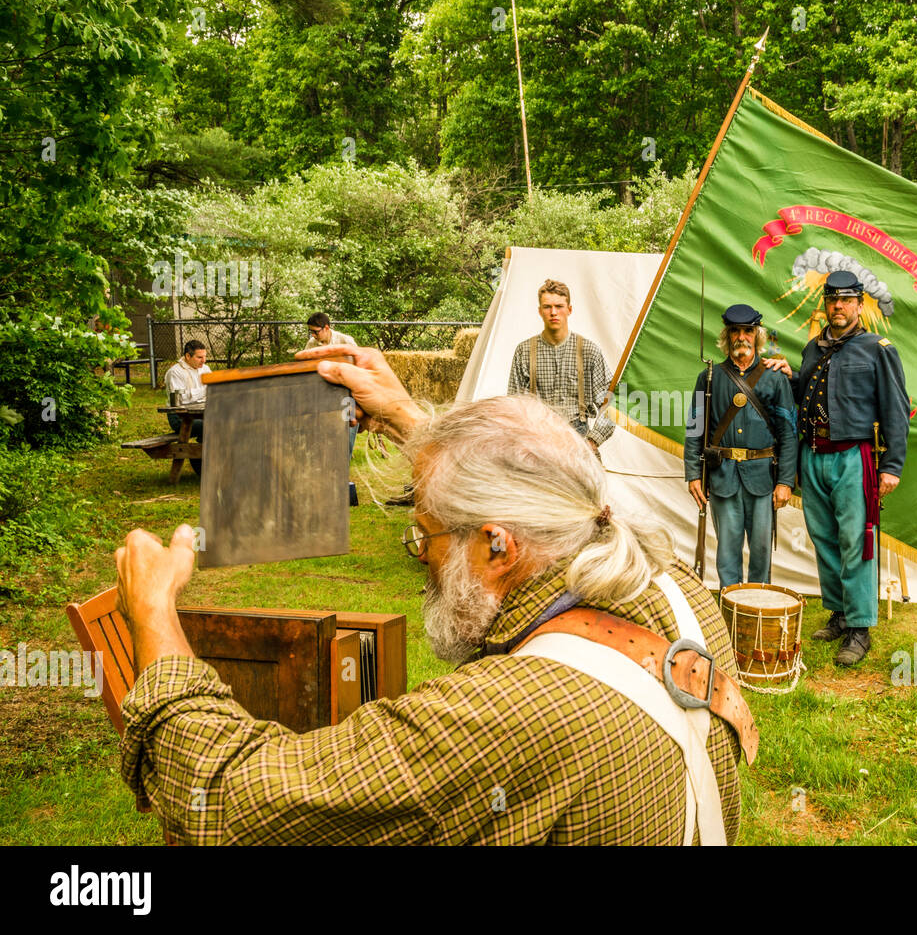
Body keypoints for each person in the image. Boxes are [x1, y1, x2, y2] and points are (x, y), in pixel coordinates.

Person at [114, 350, 755, 845]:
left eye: (423, 538)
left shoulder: (494, 720)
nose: (420, 559)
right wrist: (404, 416)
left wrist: (152, 612)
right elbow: (524, 478)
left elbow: (227, 799)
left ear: (497, 545)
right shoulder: (680, 594)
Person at [765, 271, 910, 667]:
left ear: (859, 305)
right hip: (814, 453)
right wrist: (789, 374)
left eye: (846, 301)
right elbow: (809, 396)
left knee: (856, 541)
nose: (838, 307)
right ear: (825, 305)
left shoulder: (877, 349)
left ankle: (860, 628)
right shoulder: (813, 348)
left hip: (853, 455)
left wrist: (892, 464)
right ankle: (840, 613)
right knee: (825, 538)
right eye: (832, 301)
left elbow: (896, 409)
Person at [683, 304, 797, 589]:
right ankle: (731, 611)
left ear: (757, 335)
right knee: (726, 553)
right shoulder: (709, 377)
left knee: (761, 551)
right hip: (723, 477)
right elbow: (695, 427)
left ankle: (758, 611)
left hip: (763, 477)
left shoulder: (775, 377)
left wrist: (785, 481)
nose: (741, 337)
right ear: (727, 336)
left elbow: (789, 433)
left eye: (748, 331)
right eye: (735, 331)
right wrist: (693, 473)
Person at [508, 279, 615, 457]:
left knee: (589, 484)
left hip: (579, 440)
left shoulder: (589, 351)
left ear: (569, 309)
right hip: (537, 441)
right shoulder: (524, 351)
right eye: (547, 307)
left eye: (559, 306)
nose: (553, 312)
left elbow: (612, 403)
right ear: (540, 311)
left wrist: (592, 442)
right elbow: (514, 406)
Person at [304, 313, 360, 455]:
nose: (313, 335)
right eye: (311, 332)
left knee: (349, 427)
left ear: (326, 328)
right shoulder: (311, 344)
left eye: (316, 332)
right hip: (324, 391)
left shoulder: (345, 340)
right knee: (326, 433)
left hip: (347, 391)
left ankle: (344, 467)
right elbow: (305, 365)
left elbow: (359, 365)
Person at [163, 339, 210, 476]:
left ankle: (212, 462)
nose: (203, 361)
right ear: (188, 356)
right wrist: (205, 391)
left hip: (202, 412)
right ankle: (199, 464)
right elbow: (182, 399)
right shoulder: (176, 372)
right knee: (206, 426)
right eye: (199, 357)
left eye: (205, 357)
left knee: (222, 423)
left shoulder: (205, 369)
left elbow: (213, 389)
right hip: (180, 417)